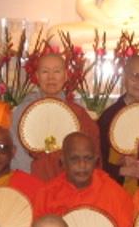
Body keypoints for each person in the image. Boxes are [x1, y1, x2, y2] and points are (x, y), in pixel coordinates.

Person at [10, 52, 100, 181]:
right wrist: (34, 176)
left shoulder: (77, 113)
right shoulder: (24, 111)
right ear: (37, 76)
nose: (51, 78)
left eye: (57, 71)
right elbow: (16, 151)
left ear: (65, 76)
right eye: (45, 72)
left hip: (70, 181)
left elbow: (91, 152)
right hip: (31, 178)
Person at [97, 54, 139, 192]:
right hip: (117, 192)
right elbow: (97, 162)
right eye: (135, 76)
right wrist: (122, 169)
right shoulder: (109, 117)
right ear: (124, 78)